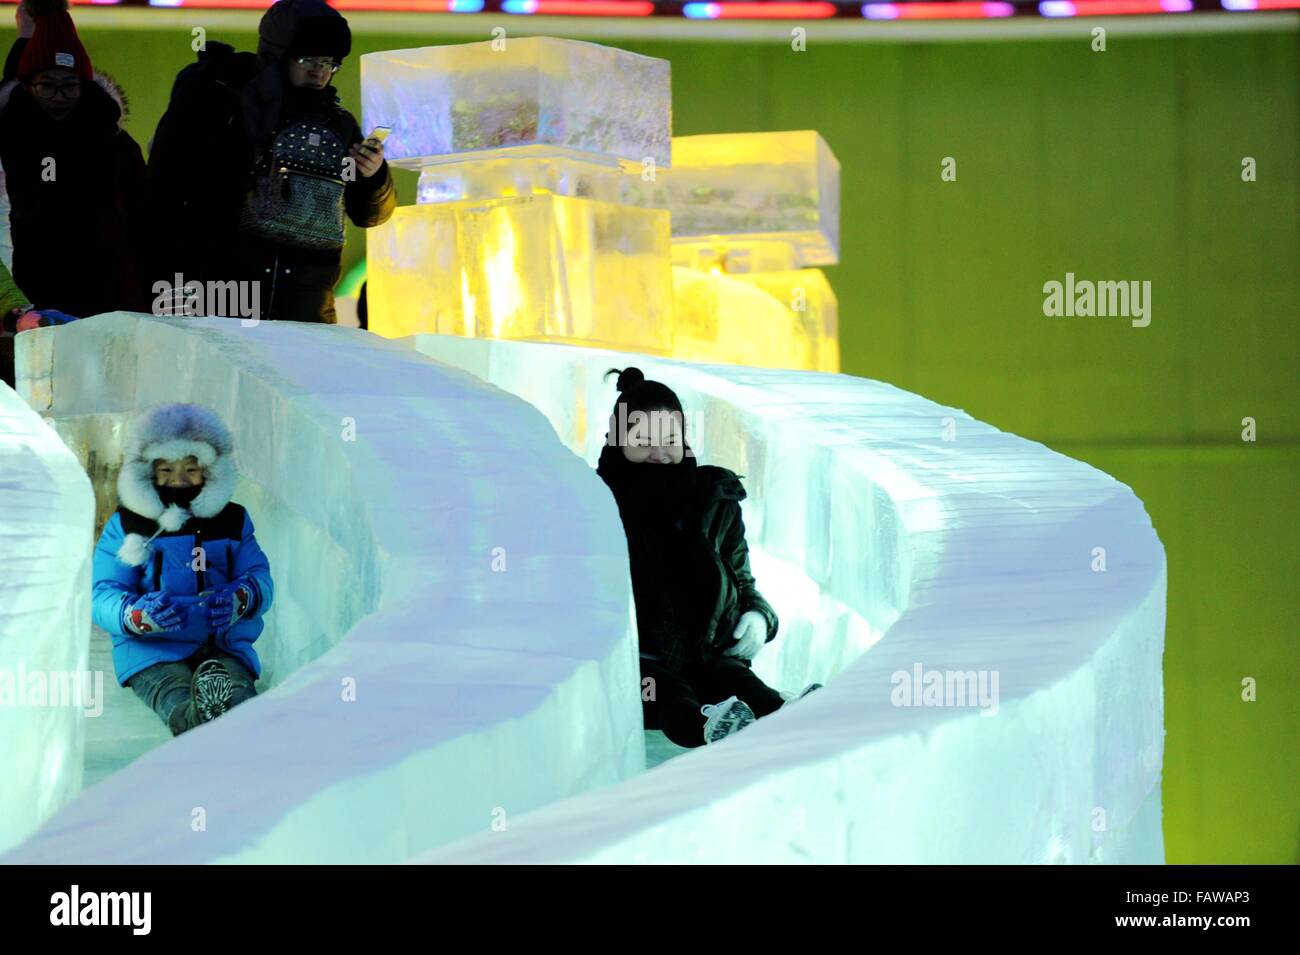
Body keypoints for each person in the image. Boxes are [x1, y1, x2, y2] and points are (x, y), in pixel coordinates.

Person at [596, 367, 818, 747]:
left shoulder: (712, 498)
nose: (659, 452)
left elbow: (743, 580)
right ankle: (708, 726)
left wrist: (759, 617)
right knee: (667, 694)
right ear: (618, 438)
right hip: (640, 663)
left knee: (740, 684)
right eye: (643, 439)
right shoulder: (596, 500)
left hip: (708, 654)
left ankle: (791, 715)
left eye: (669, 439)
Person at [147, 0, 394, 322]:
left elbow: (369, 215)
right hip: (223, 291)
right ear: (277, 56)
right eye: (307, 59)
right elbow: (168, 187)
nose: (318, 71)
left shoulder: (339, 124)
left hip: (307, 302)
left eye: (329, 62)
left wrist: (373, 176)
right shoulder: (225, 104)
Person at [92, 404, 274, 736]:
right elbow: (104, 592)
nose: (178, 480)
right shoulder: (129, 525)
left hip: (222, 644)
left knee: (236, 685)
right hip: (153, 649)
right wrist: (136, 616)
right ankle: (191, 719)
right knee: (169, 689)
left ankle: (229, 713)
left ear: (211, 470)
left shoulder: (233, 521)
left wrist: (241, 599)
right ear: (148, 471)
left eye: (190, 469)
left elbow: (259, 576)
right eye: (166, 469)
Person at [0, 3, 148, 319]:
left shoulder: (114, 143)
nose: (59, 96)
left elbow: (144, 220)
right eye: (47, 86)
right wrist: (28, 32)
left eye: (69, 86)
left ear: (85, 85)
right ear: (29, 85)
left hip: (104, 299)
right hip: (28, 304)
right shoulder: (14, 133)